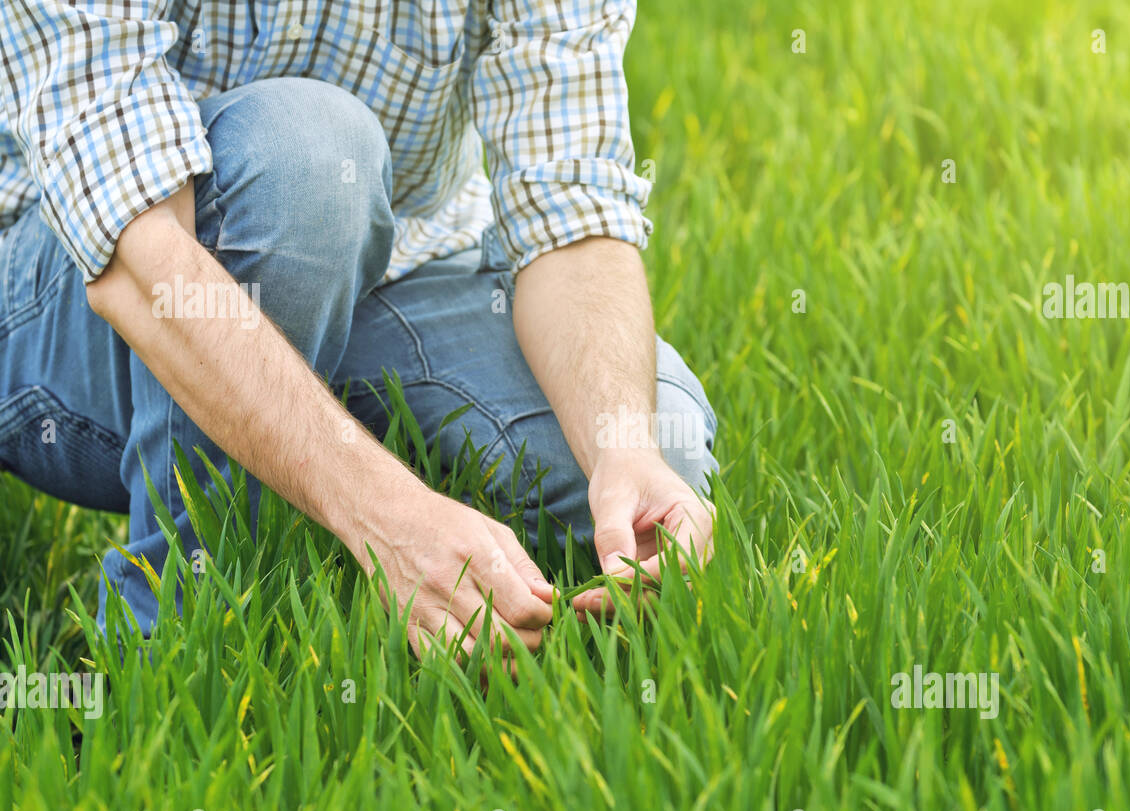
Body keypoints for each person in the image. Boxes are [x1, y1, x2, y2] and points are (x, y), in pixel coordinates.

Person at [0, 1, 718, 662]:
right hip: (74, 271)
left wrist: (623, 451)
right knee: (307, 162)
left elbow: (567, 206)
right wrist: (386, 517)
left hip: (397, 264)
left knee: (654, 470)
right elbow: (133, 247)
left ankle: (336, 501)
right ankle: (167, 660)